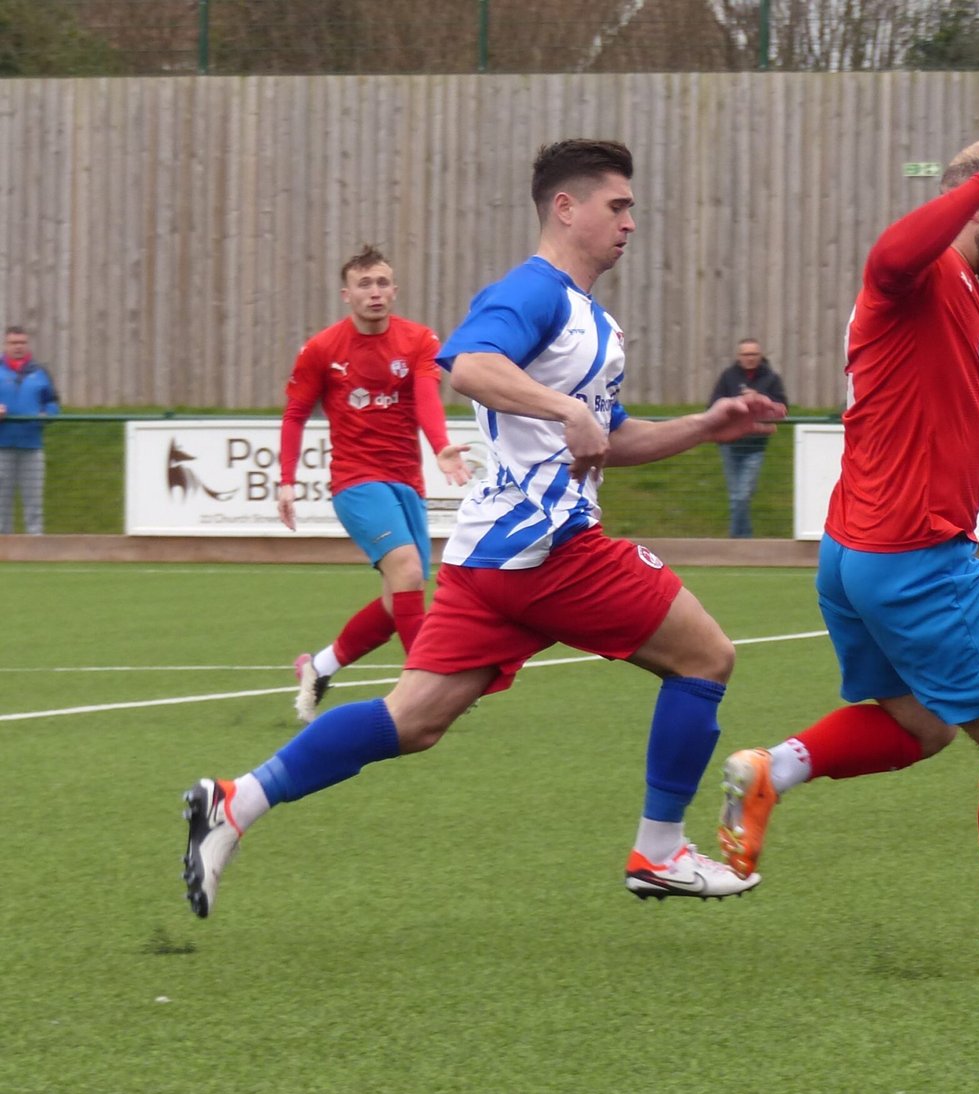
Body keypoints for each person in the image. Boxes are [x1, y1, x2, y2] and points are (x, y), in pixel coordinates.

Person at [181, 139, 785, 919]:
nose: (631, 221)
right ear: (565, 209)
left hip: (489, 554)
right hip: (549, 547)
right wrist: (567, 409)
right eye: (617, 205)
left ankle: (233, 804)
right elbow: (466, 364)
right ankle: (661, 852)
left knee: (413, 719)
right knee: (707, 656)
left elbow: (611, 439)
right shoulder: (534, 291)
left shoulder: (590, 319)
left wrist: (707, 425)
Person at [715, 112, 979, 975]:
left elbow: (969, 419)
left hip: (858, 550)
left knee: (920, 723)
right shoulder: (916, 274)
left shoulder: (963, 294)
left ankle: (773, 770)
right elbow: (889, 256)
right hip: (915, 554)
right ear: (976, 203)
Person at [279, 246, 474, 722]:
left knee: (397, 599)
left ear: (395, 290)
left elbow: (427, 396)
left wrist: (440, 445)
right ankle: (425, 688)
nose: (375, 292)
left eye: (383, 283)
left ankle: (320, 667)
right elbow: (296, 414)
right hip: (356, 481)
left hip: (406, 482)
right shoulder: (323, 349)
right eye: (365, 285)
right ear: (347, 295)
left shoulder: (419, 340)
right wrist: (286, 480)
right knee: (408, 571)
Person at [707, 338, 788, 537]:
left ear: (760, 356)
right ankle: (742, 542)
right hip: (729, 445)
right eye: (745, 354)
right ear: (739, 356)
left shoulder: (770, 378)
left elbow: (783, 406)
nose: (749, 358)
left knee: (742, 495)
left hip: (755, 445)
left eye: (753, 354)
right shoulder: (728, 376)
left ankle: (738, 542)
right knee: (736, 497)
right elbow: (713, 403)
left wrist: (760, 397)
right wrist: (737, 401)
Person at [0, 325, 61, 535]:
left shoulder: (41, 372)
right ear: (5, 344)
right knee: (1, 505)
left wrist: (47, 415)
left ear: (27, 344)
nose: (18, 347)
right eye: (13, 343)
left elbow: (53, 403)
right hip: (2, 448)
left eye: (22, 343)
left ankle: (35, 548)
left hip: (32, 447)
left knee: (34, 502)